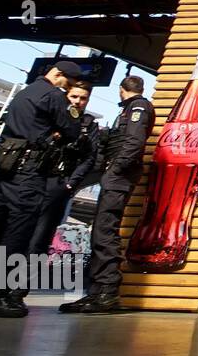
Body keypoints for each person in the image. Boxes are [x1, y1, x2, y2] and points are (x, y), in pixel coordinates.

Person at [0, 59, 84, 317]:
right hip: (29, 173)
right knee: (17, 234)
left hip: (4, 168)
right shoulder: (53, 96)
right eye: (67, 83)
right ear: (58, 74)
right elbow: (72, 130)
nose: (67, 88)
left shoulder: (25, 92)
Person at [60, 76, 154, 315]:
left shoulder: (138, 107)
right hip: (116, 175)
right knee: (101, 230)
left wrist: (115, 170)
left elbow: (133, 142)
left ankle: (106, 291)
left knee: (105, 230)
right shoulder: (131, 109)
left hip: (119, 176)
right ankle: (97, 290)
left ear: (122, 90)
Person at [27, 82, 101, 258]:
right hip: (35, 176)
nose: (77, 101)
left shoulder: (88, 125)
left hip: (60, 181)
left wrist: (71, 183)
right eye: (74, 96)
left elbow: (90, 157)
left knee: (42, 232)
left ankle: (24, 277)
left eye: (83, 98)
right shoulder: (50, 117)